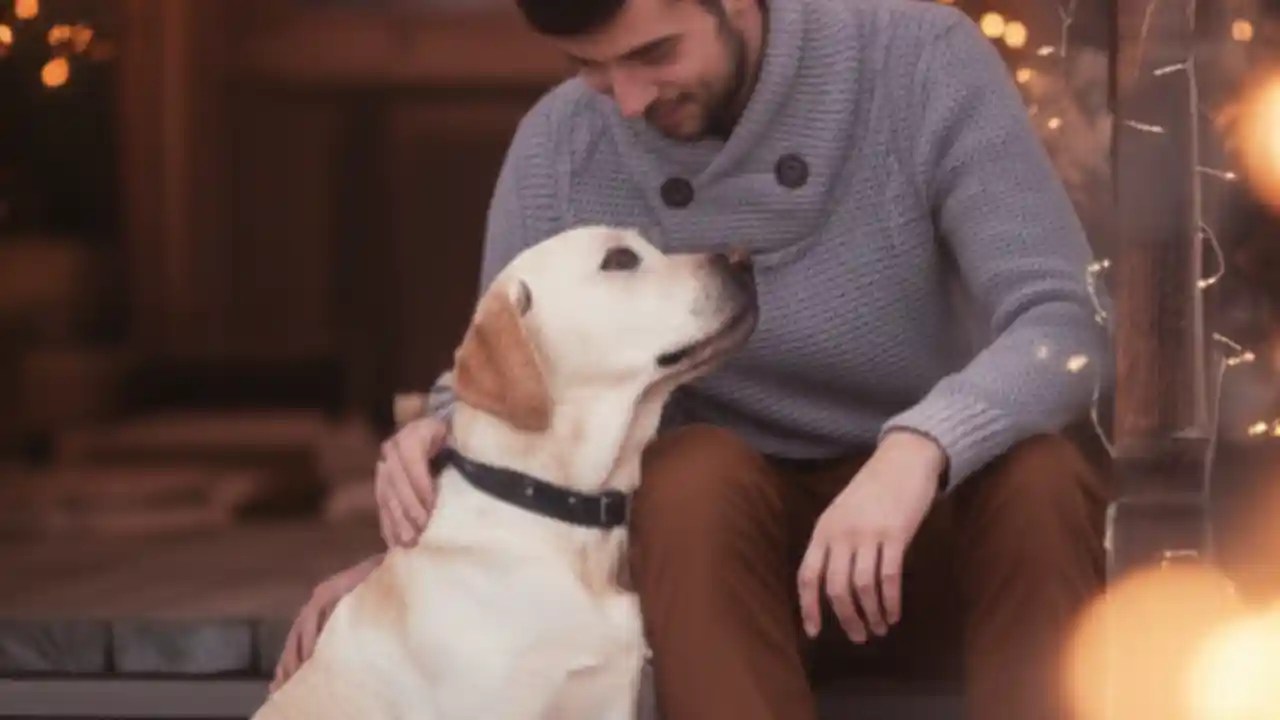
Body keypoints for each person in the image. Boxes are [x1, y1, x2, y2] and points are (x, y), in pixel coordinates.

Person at [273, 0, 1111, 717]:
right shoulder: (562, 145)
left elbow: (1066, 323)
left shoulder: (917, 62)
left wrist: (918, 449)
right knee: (690, 472)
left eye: (654, 53)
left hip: (932, 536)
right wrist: (412, 585)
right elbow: (512, 402)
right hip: (717, 571)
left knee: (1039, 475)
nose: (628, 100)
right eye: (591, 67)